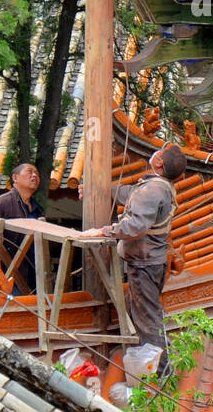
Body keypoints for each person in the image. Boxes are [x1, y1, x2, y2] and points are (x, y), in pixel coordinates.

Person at [78, 144, 184, 378]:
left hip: (144, 263)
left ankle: (162, 373)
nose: (155, 152)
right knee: (139, 311)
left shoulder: (154, 190)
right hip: (150, 261)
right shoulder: (157, 186)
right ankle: (153, 364)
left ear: (159, 163)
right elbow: (131, 195)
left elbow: (134, 226)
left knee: (147, 318)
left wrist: (103, 231)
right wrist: (102, 189)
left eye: (159, 151)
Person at [0, 162, 43, 296]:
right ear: (15, 178)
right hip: (9, 273)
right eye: (29, 172)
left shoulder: (37, 209)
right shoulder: (2, 202)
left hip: (35, 275)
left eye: (37, 174)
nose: (34, 175)